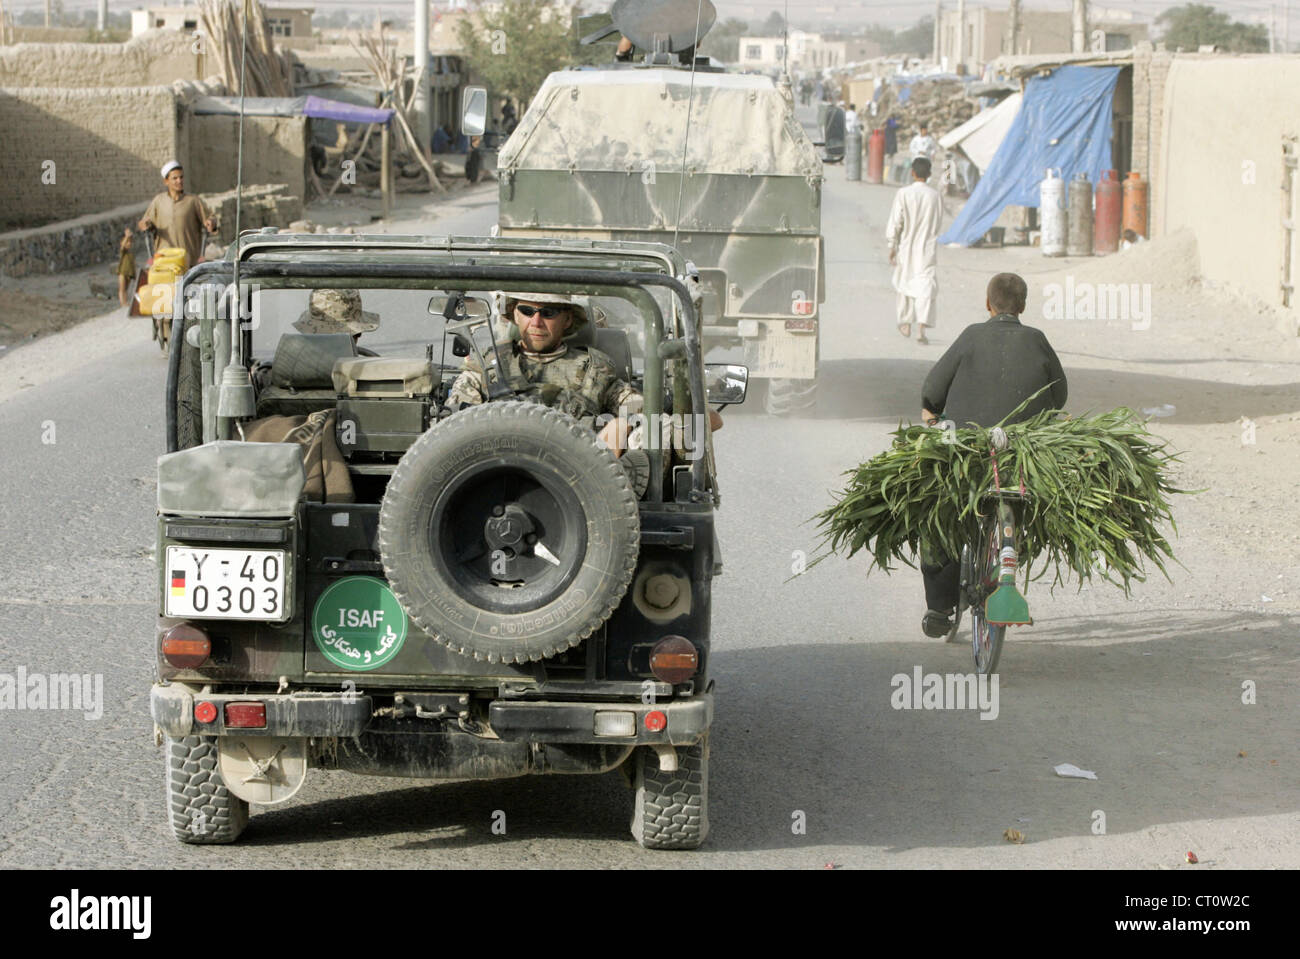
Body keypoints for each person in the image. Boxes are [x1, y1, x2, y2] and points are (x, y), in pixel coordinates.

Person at [916, 272, 1068, 638]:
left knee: (939, 510)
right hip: (1024, 454)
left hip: (970, 449)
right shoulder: (1038, 339)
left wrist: (933, 413)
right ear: (1023, 307)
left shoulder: (971, 335)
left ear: (988, 304)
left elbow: (932, 389)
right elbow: (1059, 395)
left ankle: (939, 606)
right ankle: (1005, 553)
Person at [447, 293, 643, 456]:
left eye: (548, 313)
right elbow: (453, 427)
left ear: (567, 319)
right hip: (497, 475)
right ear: (515, 315)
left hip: (577, 481)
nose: (536, 322)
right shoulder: (487, 368)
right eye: (527, 311)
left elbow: (640, 411)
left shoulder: (596, 371)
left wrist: (621, 428)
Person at [886, 157, 943, 344]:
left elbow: (896, 221)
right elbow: (938, 222)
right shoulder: (935, 196)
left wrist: (892, 246)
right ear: (929, 174)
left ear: (912, 172)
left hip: (906, 247)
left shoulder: (903, 193)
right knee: (926, 286)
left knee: (905, 283)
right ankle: (921, 329)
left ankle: (905, 323)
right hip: (927, 248)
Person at [137, 161, 217, 268]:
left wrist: (211, 222)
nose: (179, 181)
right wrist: (144, 224)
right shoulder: (158, 201)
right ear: (166, 181)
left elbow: (211, 219)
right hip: (164, 262)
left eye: (181, 177)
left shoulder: (193, 200)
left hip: (189, 262)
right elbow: (146, 222)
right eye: (175, 178)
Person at [116, 227, 136, 309]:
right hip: (122, 272)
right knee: (122, 288)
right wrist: (127, 236)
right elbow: (123, 245)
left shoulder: (130, 253)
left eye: (130, 242)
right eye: (127, 242)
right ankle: (122, 303)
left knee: (126, 289)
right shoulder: (123, 251)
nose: (129, 243)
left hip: (129, 272)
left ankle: (125, 301)